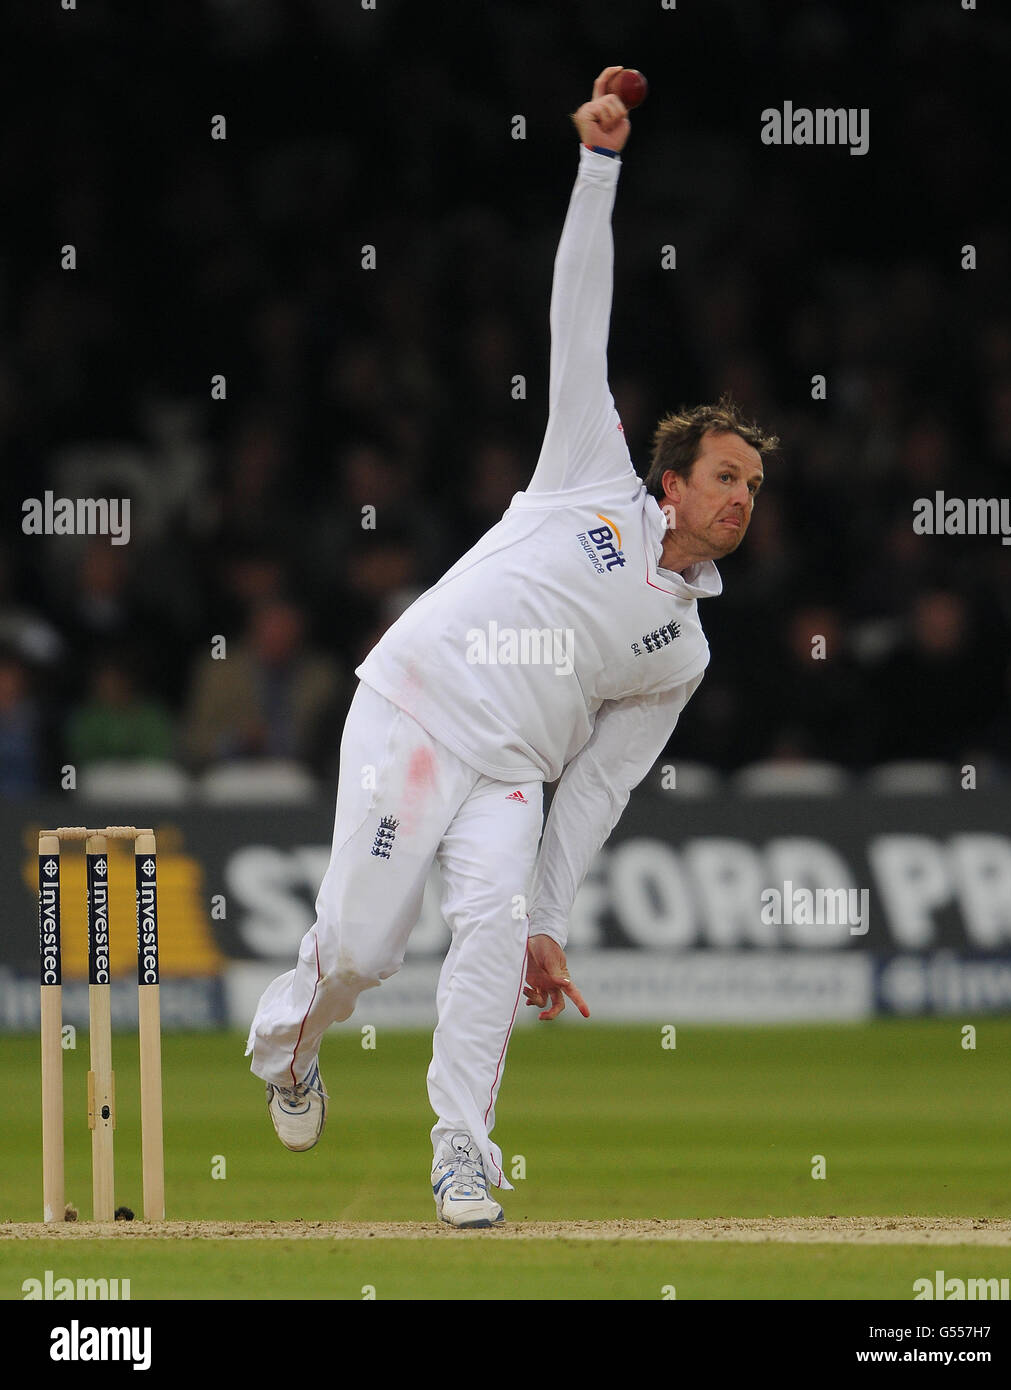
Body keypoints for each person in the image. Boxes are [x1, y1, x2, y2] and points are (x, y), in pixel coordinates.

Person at [246, 68, 778, 1228]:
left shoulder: (681, 653)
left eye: (755, 487)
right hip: (417, 709)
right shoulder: (589, 469)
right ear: (672, 480)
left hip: (512, 777)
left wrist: (547, 919)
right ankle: (288, 1041)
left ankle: (462, 1154)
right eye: (727, 477)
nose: (742, 498)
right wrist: (599, 165)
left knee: (487, 934)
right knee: (365, 948)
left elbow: (594, 790)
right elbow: (576, 313)